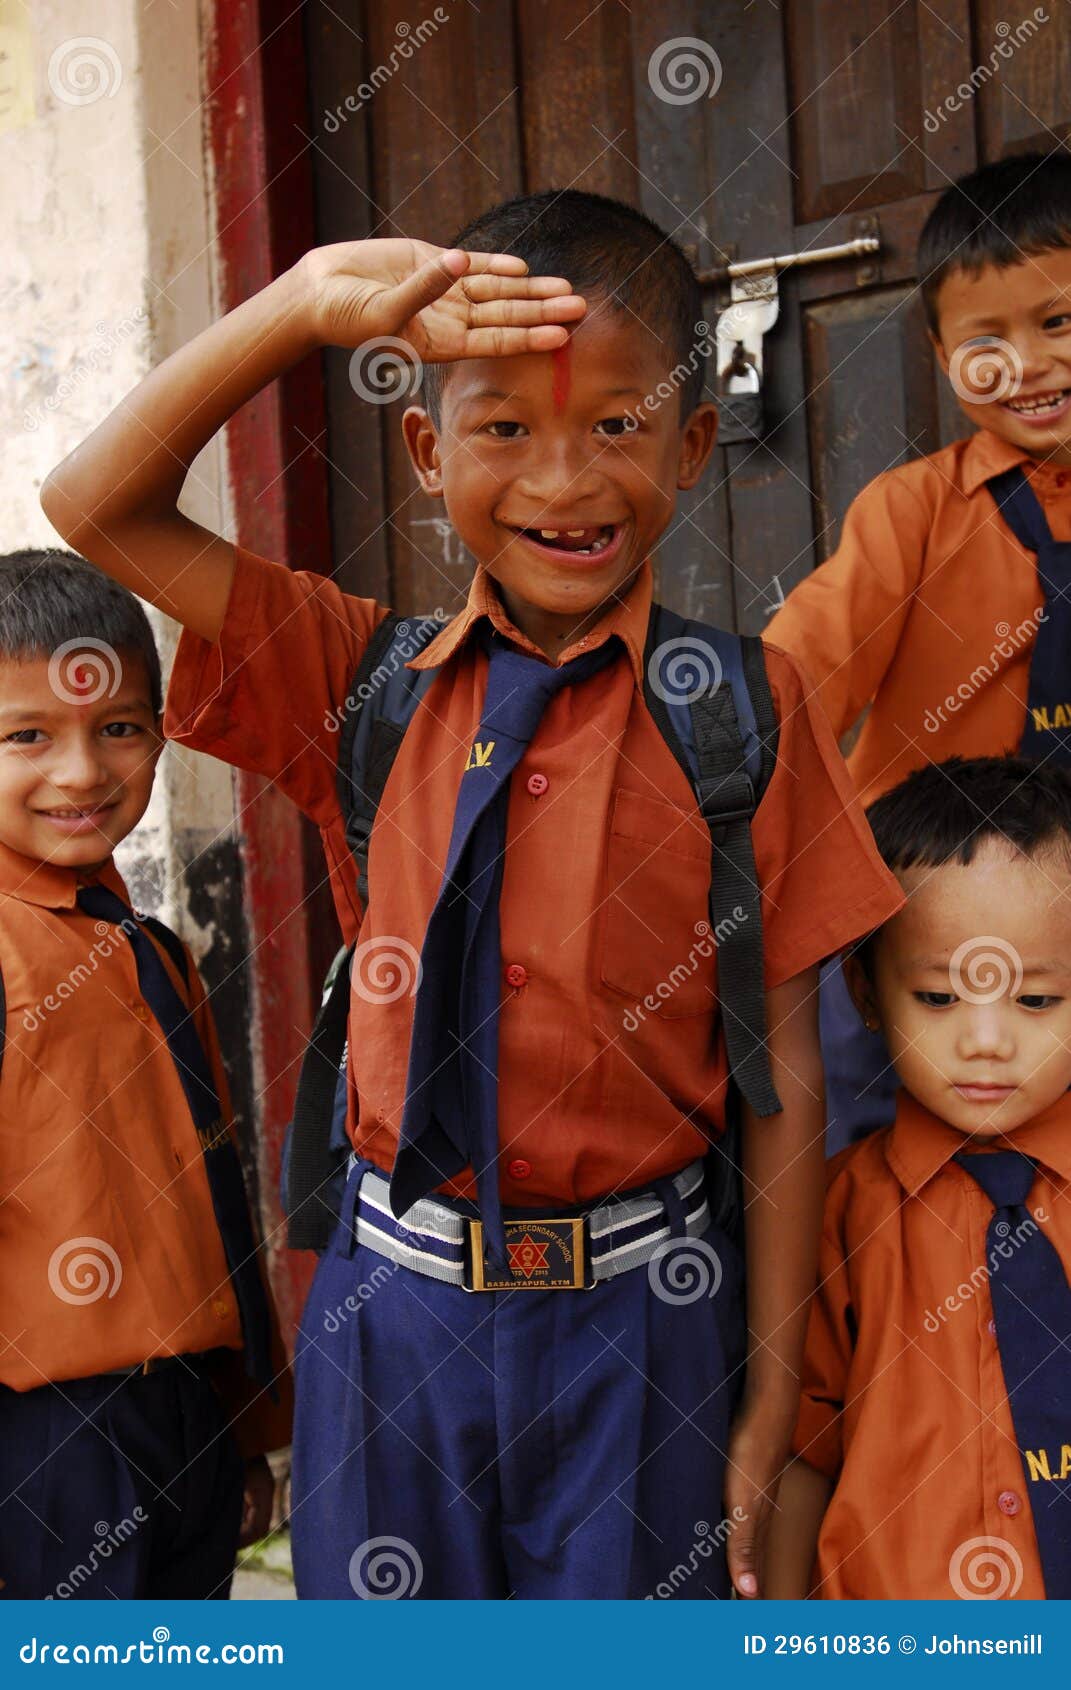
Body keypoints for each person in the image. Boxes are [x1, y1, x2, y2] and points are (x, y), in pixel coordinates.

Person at [40, 190, 901, 1600]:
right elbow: (93, 502)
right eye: (502, 428)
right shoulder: (355, 678)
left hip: (646, 1327)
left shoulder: (744, 709)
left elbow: (786, 1072)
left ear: (690, 445)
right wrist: (306, 299)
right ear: (427, 453)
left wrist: (762, 1407)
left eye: (616, 425)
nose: (561, 481)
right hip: (389, 1326)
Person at [766, 150, 1071, 1153]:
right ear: (942, 355)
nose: (1022, 365)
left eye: (1057, 323)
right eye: (985, 339)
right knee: (868, 1146)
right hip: (913, 908)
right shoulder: (913, 513)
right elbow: (796, 670)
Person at [0, 550, 292, 1599]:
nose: (82, 772)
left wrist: (245, 1426)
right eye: (26, 735)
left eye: (119, 726)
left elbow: (209, 1205)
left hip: (184, 1424)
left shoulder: (149, 948)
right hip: (44, 1441)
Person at [767, 755, 1071, 1600]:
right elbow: (801, 1452)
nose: (984, 1042)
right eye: (938, 997)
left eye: (1035, 1002)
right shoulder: (835, 1213)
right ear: (865, 993)